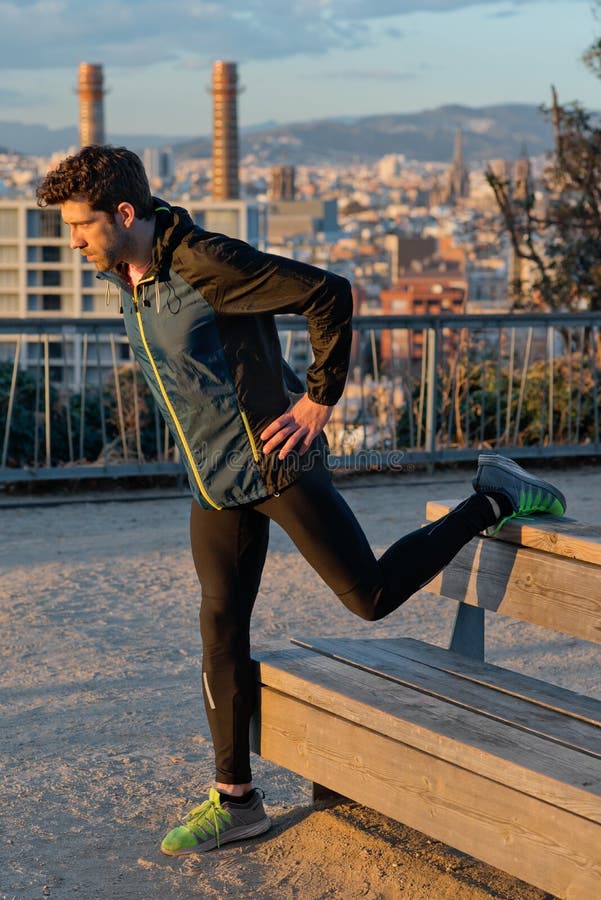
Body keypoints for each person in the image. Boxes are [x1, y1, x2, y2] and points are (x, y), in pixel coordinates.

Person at [37, 145, 567, 857]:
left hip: (276, 462)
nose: (72, 240)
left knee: (370, 597)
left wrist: (319, 399)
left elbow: (329, 291)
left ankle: (492, 496)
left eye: (78, 226)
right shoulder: (132, 273)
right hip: (215, 484)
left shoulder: (203, 261)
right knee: (221, 632)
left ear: (123, 213)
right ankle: (237, 800)